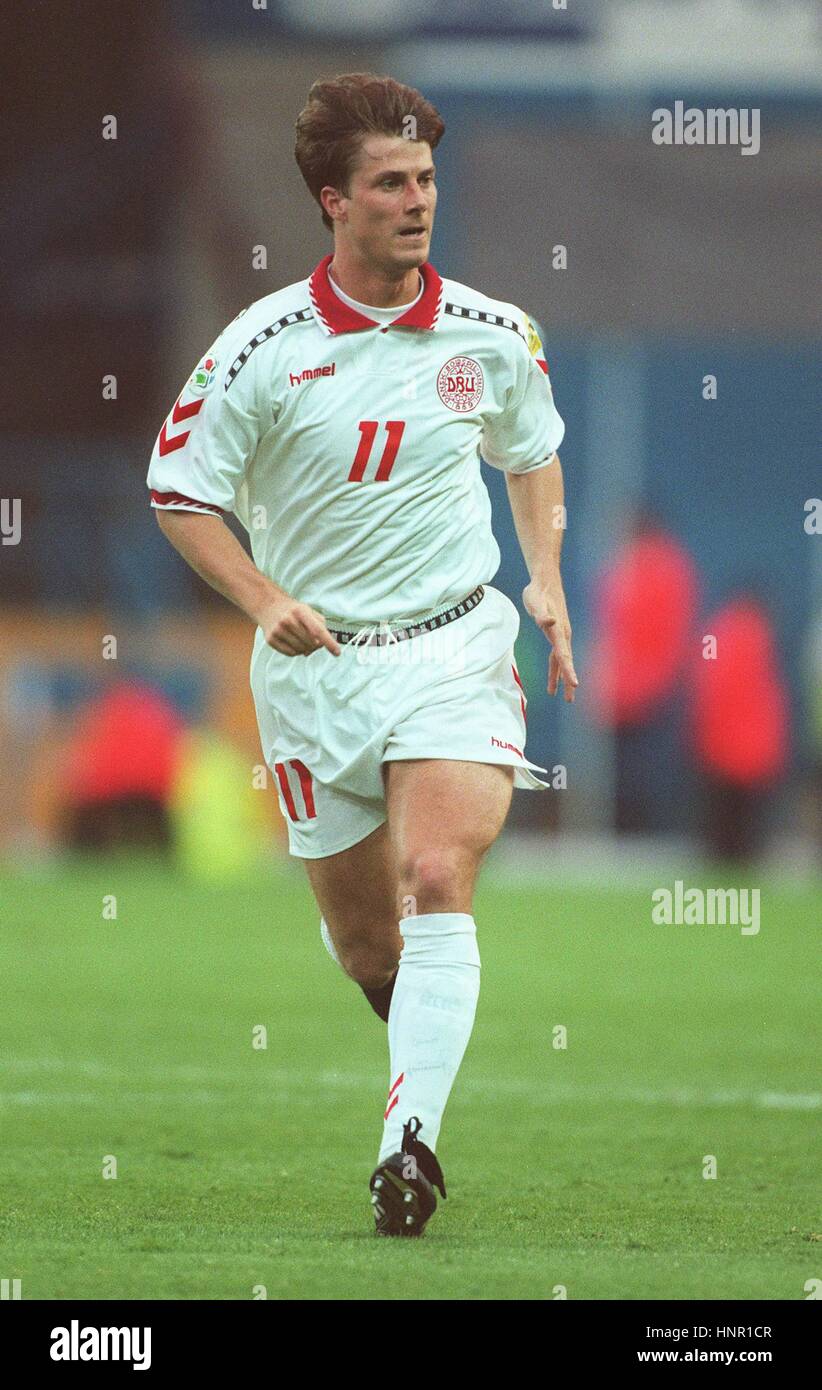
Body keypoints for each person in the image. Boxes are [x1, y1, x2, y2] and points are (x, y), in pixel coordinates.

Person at [147, 72, 577, 1237]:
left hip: (453, 642)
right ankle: (417, 1074)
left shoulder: (493, 333)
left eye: (427, 178)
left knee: (439, 875)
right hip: (317, 671)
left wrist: (540, 574)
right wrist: (262, 594)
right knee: (363, 940)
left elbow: (531, 451)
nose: (417, 200)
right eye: (391, 182)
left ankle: (407, 1148)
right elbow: (178, 492)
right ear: (333, 201)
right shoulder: (260, 348)